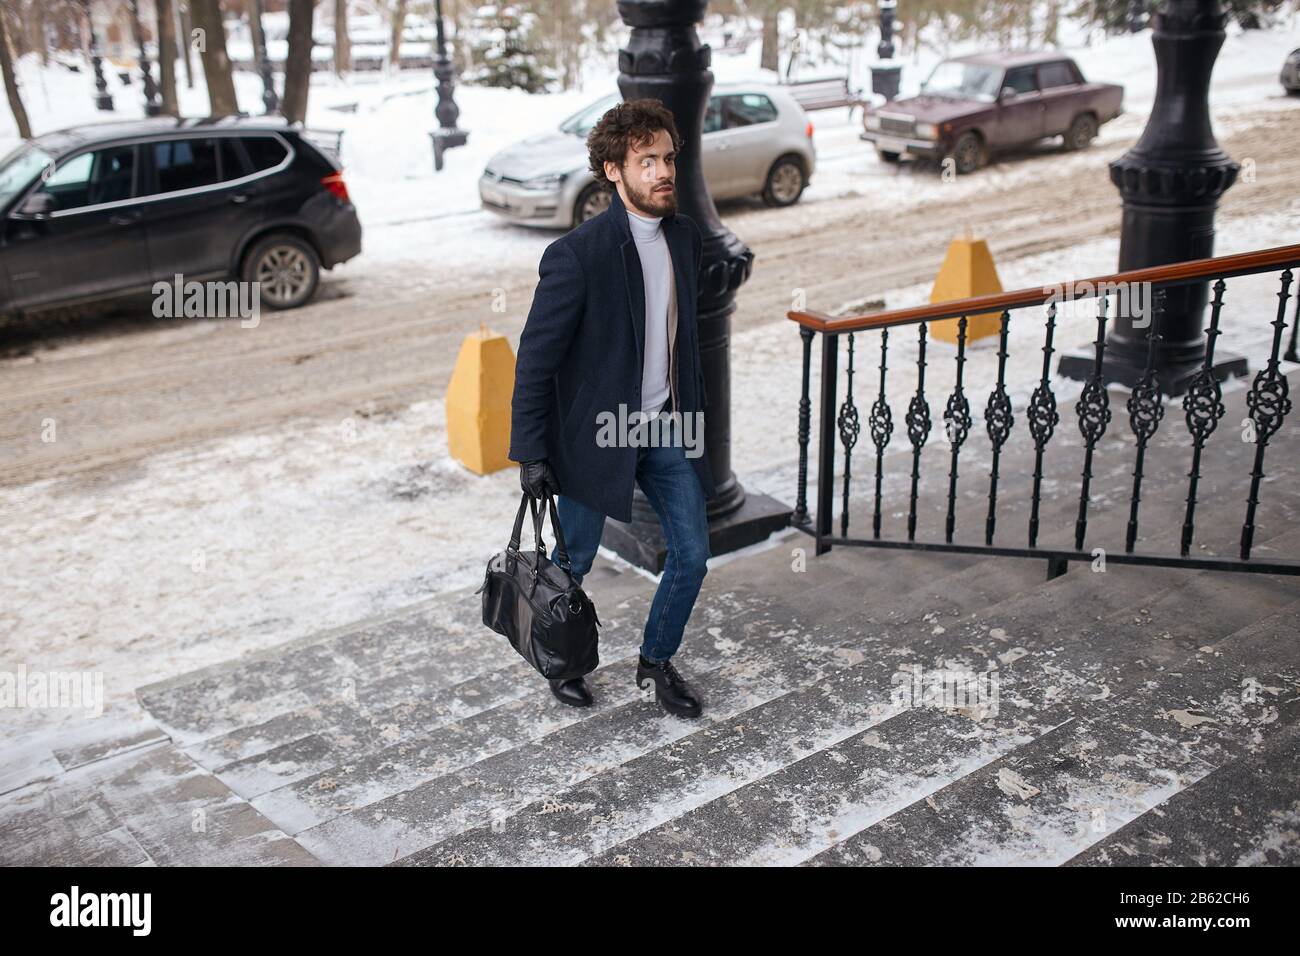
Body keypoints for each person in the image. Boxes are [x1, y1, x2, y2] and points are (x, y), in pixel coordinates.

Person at [508, 98, 717, 718]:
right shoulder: (577, 256)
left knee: (693, 553)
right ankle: (565, 662)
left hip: (664, 426)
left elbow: (683, 342)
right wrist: (533, 453)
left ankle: (655, 663)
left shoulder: (684, 238)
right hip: (595, 436)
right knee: (575, 560)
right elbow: (535, 361)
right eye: (645, 160)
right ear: (611, 170)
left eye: (668, 158)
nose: (662, 172)